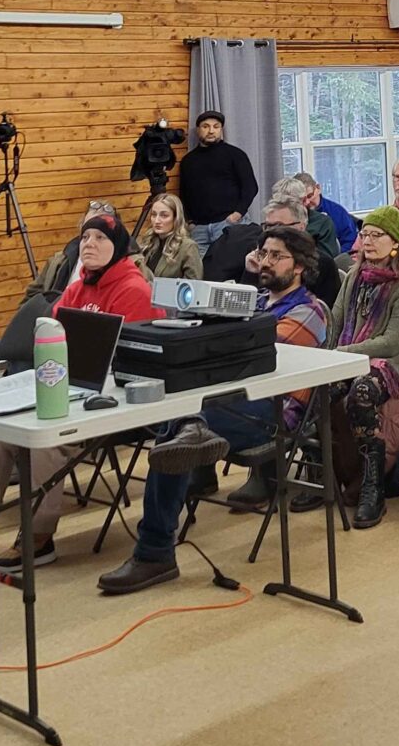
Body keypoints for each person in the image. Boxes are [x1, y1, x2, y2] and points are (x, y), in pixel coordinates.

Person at [96, 227, 334, 594]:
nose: (265, 261)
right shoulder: (254, 301)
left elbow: (260, 360)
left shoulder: (310, 311)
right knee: (181, 416)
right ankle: (193, 443)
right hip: (228, 401)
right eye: (264, 253)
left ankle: (155, 552)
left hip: (270, 413)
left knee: (177, 426)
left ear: (300, 266)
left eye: (276, 256)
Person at [0, 213, 158, 569]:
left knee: (45, 437)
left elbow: (135, 360)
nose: (90, 244)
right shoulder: (76, 286)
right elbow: (50, 336)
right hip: (65, 385)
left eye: (100, 238)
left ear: (117, 248)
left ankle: (38, 535)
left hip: (112, 398)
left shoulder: (133, 289)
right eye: (85, 238)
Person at [330, 207, 399, 529]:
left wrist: (344, 353)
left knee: (362, 392)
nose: (367, 241)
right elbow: (336, 318)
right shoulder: (354, 276)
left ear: (395, 242)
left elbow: (392, 341)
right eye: (364, 234)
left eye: (376, 235)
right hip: (350, 354)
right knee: (321, 390)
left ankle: (373, 486)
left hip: (390, 363)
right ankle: (330, 475)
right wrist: (329, 356)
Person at [176, 111, 259, 253]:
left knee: (231, 268)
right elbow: (184, 193)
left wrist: (237, 214)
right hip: (199, 230)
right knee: (200, 272)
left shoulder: (235, 155)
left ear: (221, 130)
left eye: (216, 126)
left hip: (229, 225)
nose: (211, 131)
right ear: (198, 130)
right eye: (206, 126)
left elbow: (250, 187)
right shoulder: (188, 161)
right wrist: (190, 222)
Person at [25, 197, 120, 301]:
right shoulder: (59, 260)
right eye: (87, 233)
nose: (91, 242)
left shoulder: (130, 265)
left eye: (100, 235)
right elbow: (32, 296)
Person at [134, 191, 203, 281]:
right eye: (154, 215)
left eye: (164, 215)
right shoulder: (147, 243)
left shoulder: (188, 247)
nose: (157, 220)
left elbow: (194, 285)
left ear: (176, 218)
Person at [294, 171, 356, 256]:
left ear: (318, 188)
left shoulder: (337, 212)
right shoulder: (292, 216)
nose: (307, 202)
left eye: (310, 196)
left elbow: (350, 241)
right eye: (301, 199)